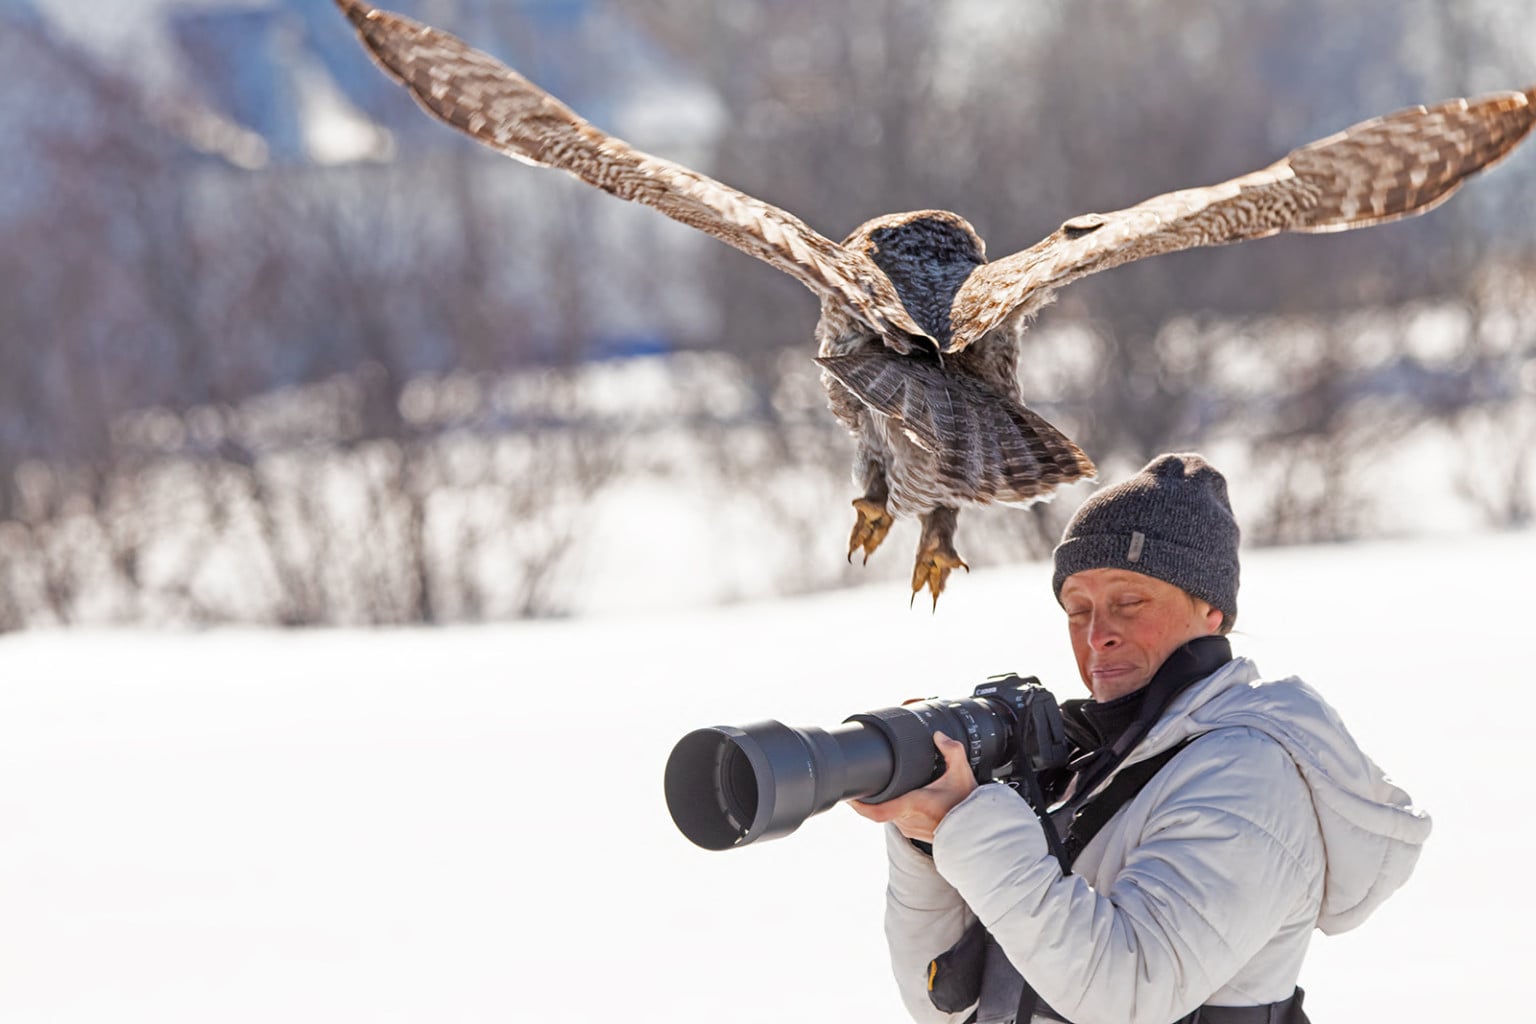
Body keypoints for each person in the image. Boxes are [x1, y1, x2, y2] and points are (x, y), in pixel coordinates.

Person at [852, 452, 1430, 1024]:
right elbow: (947, 1007)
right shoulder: (1099, 766)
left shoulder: (1249, 774)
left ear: (1211, 611)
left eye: (1129, 601)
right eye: (1078, 610)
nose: (1098, 634)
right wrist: (929, 845)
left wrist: (972, 828)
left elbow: (1127, 996)